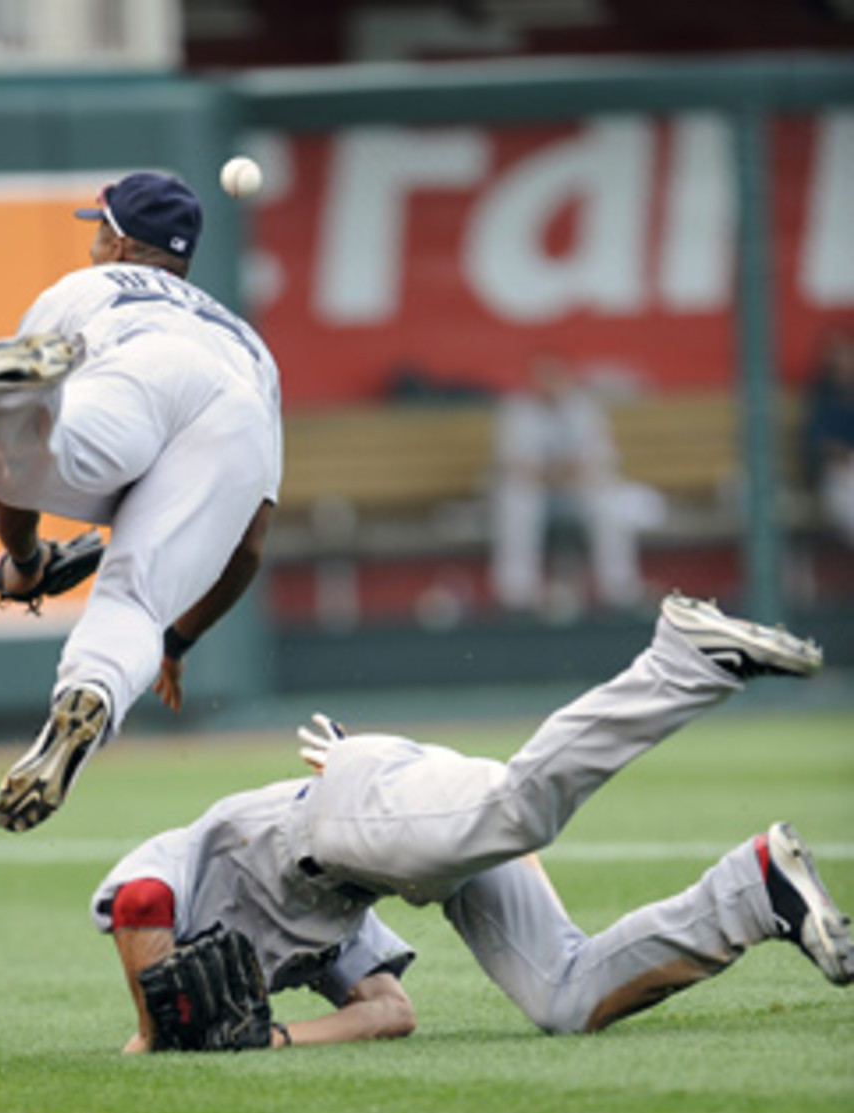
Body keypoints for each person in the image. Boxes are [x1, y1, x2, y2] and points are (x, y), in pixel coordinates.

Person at [90, 593, 850, 1053]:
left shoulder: (171, 876)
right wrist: (272, 1039)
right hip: (388, 855)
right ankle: (752, 893)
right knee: (565, 999)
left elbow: (137, 906)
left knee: (518, 810)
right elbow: (389, 1014)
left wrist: (154, 1037)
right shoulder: (300, 951)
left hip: (342, 815)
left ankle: (682, 660)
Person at [0, 171, 283, 835]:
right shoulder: (250, 343)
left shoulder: (87, 286)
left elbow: (13, 490)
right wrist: (175, 640)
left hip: (141, 364)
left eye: (99, 229)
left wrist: (25, 562)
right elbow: (248, 542)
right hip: (235, 413)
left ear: (123, 246)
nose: (94, 243)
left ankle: (12, 395)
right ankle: (93, 693)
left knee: (22, 459)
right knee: (133, 603)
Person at [489, 353, 656, 614]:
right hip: (537, 492)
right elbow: (515, 465)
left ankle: (619, 587)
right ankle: (517, 592)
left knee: (607, 499)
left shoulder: (583, 409)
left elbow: (598, 459)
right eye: (542, 378)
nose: (548, 384)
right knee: (517, 500)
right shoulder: (518, 410)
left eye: (553, 377)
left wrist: (563, 473)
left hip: (577, 492)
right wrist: (554, 473)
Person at [803, 328, 854, 546]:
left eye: (846, 355)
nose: (843, 362)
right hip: (839, 475)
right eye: (836, 356)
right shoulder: (823, 394)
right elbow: (820, 443)